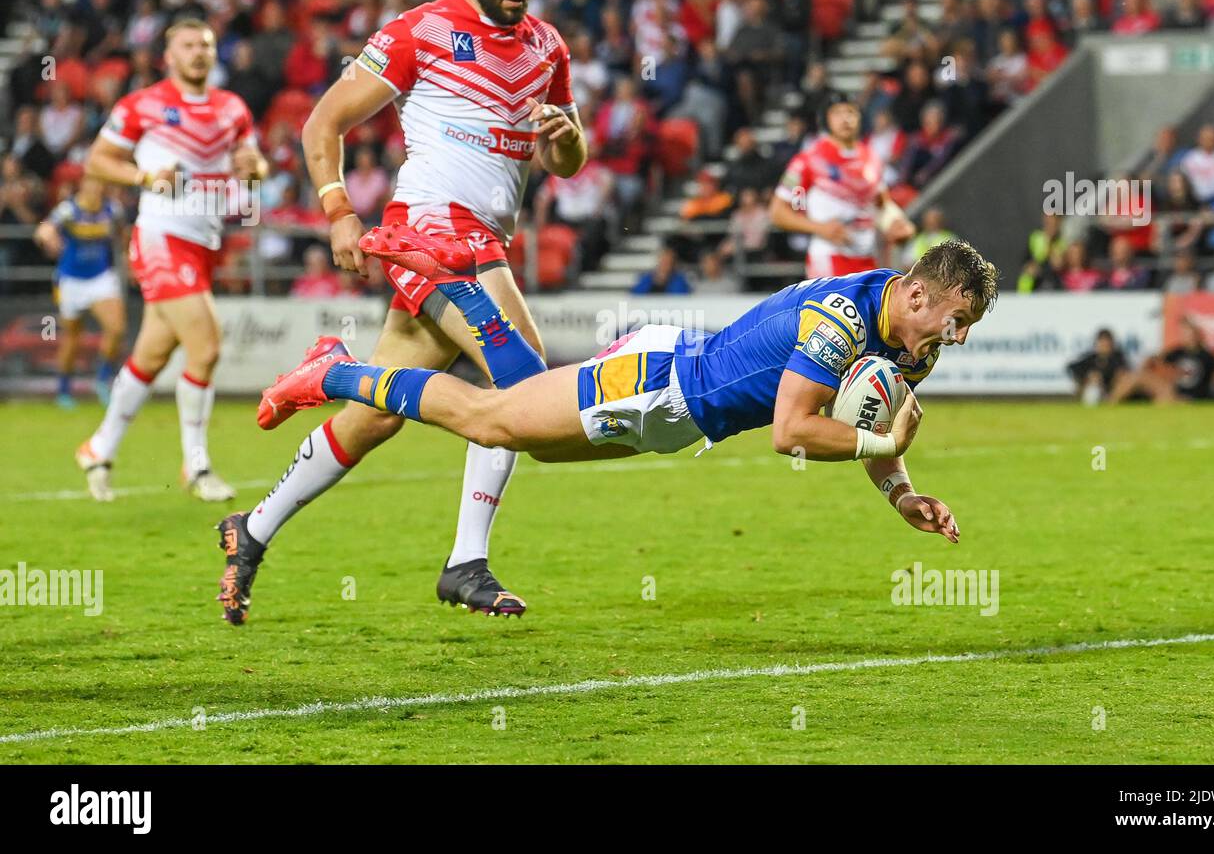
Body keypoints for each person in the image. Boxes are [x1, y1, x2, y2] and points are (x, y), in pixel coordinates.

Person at [250, 238, 998, 617]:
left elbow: (854, 417)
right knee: (488, 423)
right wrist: (889, 445)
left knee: (524, 433)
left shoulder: (907, 337)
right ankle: (332, 370)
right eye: (956, 320)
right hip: (658, 384)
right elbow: (794, 431)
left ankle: (463, 293)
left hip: (677, 406)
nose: (955, 339)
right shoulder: (841, 321)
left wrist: (900, 490)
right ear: (922, 293)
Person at [215, 0, 586, 626]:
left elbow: (564, 164)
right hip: (431, 229)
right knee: (522, 389)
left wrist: (567, 136)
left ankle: (250, 530)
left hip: (486, 241)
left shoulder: (547, 47)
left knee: (378, 416)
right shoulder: (420, 32)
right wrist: (338, 211)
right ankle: (465, 563)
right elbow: (323, 122)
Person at [77, 18, 267, 503]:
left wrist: (257, 169)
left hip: (204, 241)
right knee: (205, 346)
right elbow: (98, 161)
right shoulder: (142, 105)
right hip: (160, 235)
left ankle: (98, 447)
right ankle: (198, 465)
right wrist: (144, 176)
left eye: (205, 45)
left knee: (151, 356)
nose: (199, 53)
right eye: (188, 46)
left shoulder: (232, 108)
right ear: (169, 55)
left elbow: (252, 164)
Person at [769, 92, 914, 279]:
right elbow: (777, 212)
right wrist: (819, 228)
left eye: (851, 112)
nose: (845, 118)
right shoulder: (808, 160)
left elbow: (882, 204)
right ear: (825, 119)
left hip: (868, 258)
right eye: (837, 113)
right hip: (828, 257)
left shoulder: (871, 157)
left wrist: (897, 223)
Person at [32, 178, 127, 408]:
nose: (99, 188)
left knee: (116, 328)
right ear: (84, 186)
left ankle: (102, 379)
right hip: (71, 280)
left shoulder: (112, 209)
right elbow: (44, 230)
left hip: (101, 278)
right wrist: (48, 238)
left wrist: (128, 255)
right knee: (73, 337)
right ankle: (64, 391)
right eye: (94, 183)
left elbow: (123, 234)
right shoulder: (68, 210)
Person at [1109, 318, 1214, 404]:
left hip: (1190, 399)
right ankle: (1109, 404)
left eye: (1188, 332)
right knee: (1134, 377)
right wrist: (1149, 367)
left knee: (1162, 400)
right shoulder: (1177, 352)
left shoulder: (1207, 356)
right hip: (1172, 392)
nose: (1185, 336)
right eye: (1183, 333)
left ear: (1196, 334)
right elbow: (1154, 360)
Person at [1066, 328, 1130, 406]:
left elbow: (1124, 371)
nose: (1104, 346)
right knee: (1092, 386)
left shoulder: (1118, 357)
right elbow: (1071, 367)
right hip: (1095, 388)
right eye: (1102, 343)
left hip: (1111, 391)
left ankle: (1110, 402)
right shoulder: (1091, 358)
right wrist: (1088, 376)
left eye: (1107, 344)